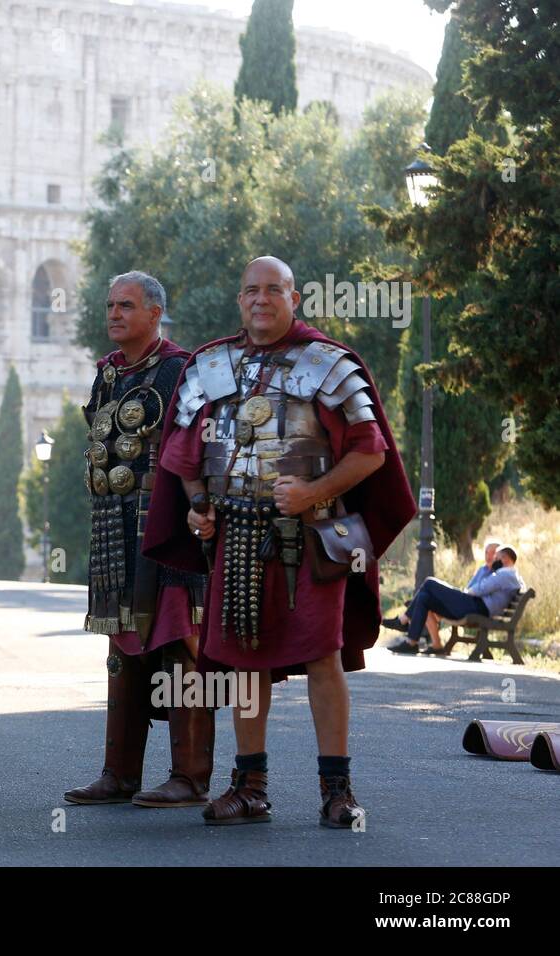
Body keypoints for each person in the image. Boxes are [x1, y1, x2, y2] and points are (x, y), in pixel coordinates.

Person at [143, 256, 415, 829]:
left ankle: (337, 788)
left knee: (323, 655)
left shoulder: (328, 363)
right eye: (251, 291)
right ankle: (249, 787)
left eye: (273, 290)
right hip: (234, 536)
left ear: (295, 298)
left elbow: (370, 454)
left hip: (312, 537)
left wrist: (314, 489)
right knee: (243, 662)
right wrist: (198, 505)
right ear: (240, 301)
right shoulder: (210, 364)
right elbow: (184, 454)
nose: (261, 300)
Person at [64, 272, 211, 809]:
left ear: (154, 312)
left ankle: (190, 775)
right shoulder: (107, 374)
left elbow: (197, 450)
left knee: (178, 642)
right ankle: (118, 772)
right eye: (110, 305)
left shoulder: (178, 370)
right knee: (121, 645)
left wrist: (194, 513)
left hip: (166, 525)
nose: (115, 313)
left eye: (126, 305)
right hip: (114, 521)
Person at [384, 545, 523, 655]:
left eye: (497, 558)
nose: (495, 560)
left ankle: (402, 621)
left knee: (430, 582)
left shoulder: (504, 575)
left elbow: (478, 589)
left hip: (476, 607)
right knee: (424, 597)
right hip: (475, 605)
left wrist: (466, 592)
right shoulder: (510, 576)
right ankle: (411, 642)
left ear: (505, 558)